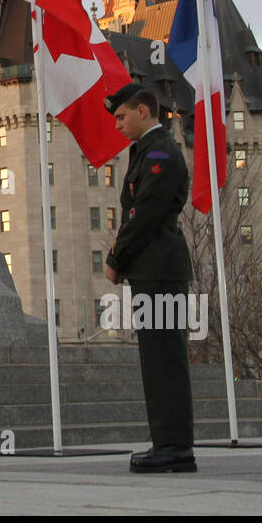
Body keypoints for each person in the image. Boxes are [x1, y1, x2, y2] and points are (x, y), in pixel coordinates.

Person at [103, 83, 196, 473]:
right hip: (153, 270)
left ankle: (174, 447)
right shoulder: (147, 150)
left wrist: (116, 257)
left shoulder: (159, 152)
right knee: (157, 359)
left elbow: (145, 214)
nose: (118, 125)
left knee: (164, 361)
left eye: (122, 116)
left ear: (144, 111)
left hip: (159, 269)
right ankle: (169, 443)